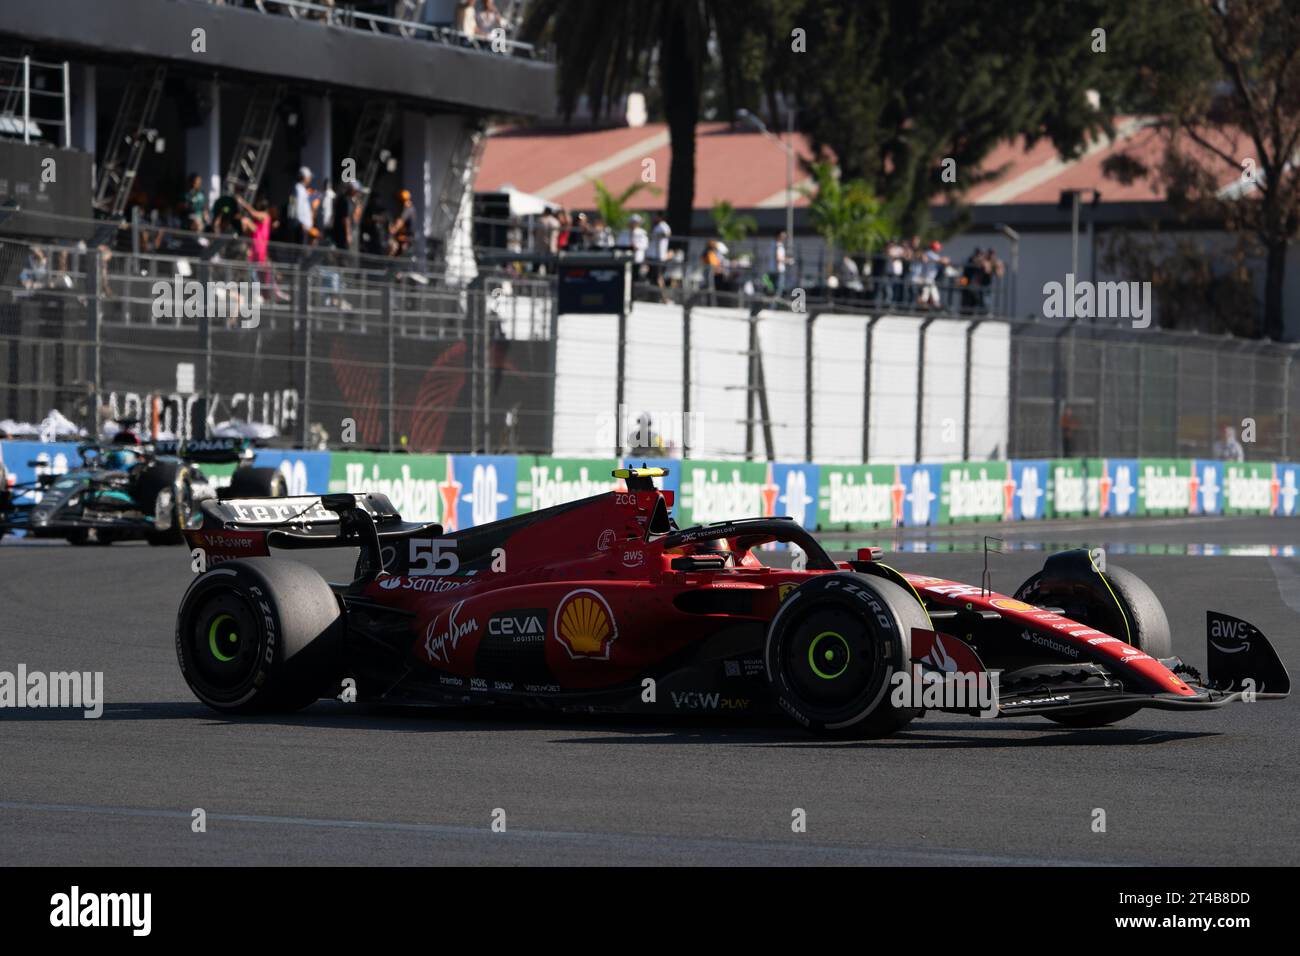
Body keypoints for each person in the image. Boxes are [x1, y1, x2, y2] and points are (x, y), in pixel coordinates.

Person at [292, 167, 314, 244]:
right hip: (301, 226)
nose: (310, 179)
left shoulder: (302, 189)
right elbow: (297, 206)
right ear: (304, 177)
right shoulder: (298, 189)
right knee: (301, 248)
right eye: (309, 177)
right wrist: (301, 223)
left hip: (304, 226)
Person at [768, 230, 793, 296]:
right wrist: (788, 261)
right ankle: (775, 301)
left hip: (773, 270)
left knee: (773, 288)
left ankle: (773, 300)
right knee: (779, 288)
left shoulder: (773, 244)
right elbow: (778, 258)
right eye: (783, 236)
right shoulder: (778, 245)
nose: (784, 238)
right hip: (778, 270)